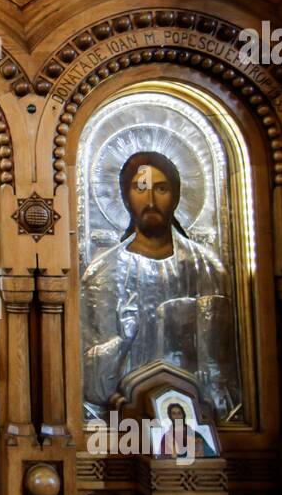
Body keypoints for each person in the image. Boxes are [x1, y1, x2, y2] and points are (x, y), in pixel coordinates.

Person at [80, 151, 238, 417]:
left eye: (161, 188)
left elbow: (226, 367)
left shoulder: (207, 268)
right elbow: (86, 373)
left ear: (175, 196)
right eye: (140, 188)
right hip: (123, 425)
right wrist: (122, 341)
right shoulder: (103, 272)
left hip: (196, 419)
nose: (150, 200)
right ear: (126, 196)